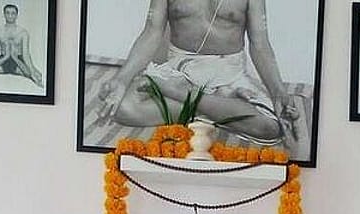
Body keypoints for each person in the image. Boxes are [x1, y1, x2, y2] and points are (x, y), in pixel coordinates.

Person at [95, 0, 301, 149]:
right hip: (180, 71)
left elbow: (260, 44)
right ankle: (217, 106)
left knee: (271, 127)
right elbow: (152, 32)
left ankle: (183, 96)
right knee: (123, 108)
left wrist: (279, 93)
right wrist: (121, 80)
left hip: (229, 75)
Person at [0, 4, 44, 88]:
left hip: (18, 61)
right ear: (4, 14)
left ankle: (29, 72)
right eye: (8, 13)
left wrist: (32, 70)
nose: (10, 16)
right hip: (3, 60)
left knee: (34, 74)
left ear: (16, 15)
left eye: (13, 13)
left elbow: (26, 54)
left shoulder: (23, 33)